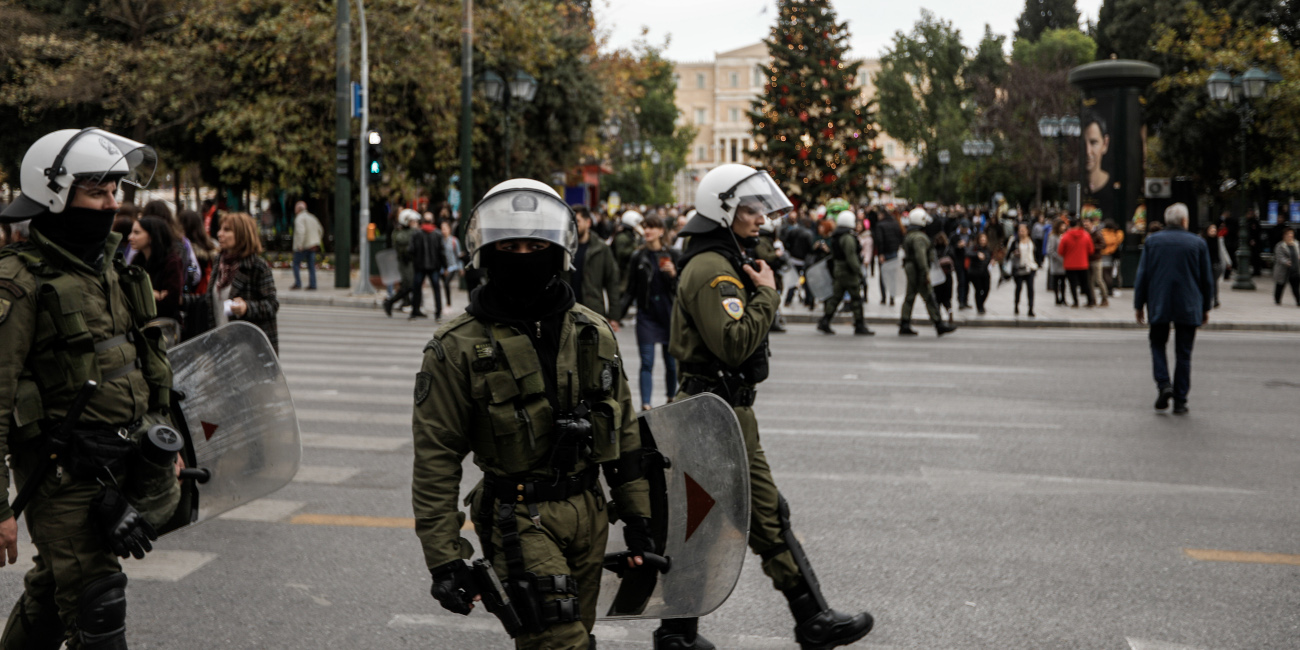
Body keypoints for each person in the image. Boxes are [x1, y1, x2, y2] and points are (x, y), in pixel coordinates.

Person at [413, 179, 652, 650]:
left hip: (589, 512)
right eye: (510, 245)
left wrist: (640, 521)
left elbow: (623, 430)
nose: (523, 255)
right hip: (519, 518)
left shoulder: (592, 331)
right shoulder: (455, 347)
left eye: (536, 244)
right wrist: (445, 559)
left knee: (576, 636)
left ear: (560, 249)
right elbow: (435, 459)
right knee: (563, 644)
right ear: (486, 251)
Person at [666, 163, 873, 649]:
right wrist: (768, 297)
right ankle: (677, 633)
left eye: (761, 207)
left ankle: (812, 618)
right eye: (751, 208)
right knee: (701, 526)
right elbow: (734, 344)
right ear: (723, 210)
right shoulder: (712, 268)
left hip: (726, 415)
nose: (761, 217)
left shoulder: (723, 258)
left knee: (766, 515)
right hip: (708, 414)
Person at [0, 127, 181, 649]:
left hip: (116, 460)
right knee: (96, 603)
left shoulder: (112, 271)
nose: (111, 204)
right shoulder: (19, 281)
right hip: (58, 470)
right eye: (97, 192)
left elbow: (141, 368)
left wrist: (160, 439)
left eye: (115, 192)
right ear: (54, 195)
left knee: (52, 592)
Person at [1134, 203, 1214, 414]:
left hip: (1159, 302)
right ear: (1185, 221)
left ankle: (1163, 384)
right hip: (1188, 304)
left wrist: (1138, 305)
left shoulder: (1152, 241)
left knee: (1157, 344)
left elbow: (1142, 276)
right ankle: (1180, 400)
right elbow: (1206, 279)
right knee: (1184, 354)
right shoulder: (1197, 243)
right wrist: (1206, 306)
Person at [616, 215, 680, 410]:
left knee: (671, 363)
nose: (648, 231)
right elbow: (631, 289)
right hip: (647, 315)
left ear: (661, 231)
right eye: (645, 227)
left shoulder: (674, 254)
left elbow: (682, 290)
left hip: (668, 315)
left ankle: (671, 399)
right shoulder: (638, 256)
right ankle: (646, 405)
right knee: (647, 361)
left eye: (652, 227)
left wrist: (673, 275)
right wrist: (616, 316)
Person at [207, 212, 280, 353]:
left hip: (249, 349)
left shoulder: (257, 266)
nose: (219, 234)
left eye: (227, 230)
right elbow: (212, 300)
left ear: (241, 234)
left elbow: (272, 305)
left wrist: (247, 307)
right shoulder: (219, 262)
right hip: (220, 346)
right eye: (220, 229)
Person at [561, 205, 622, 331]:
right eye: (570, 222)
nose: (573, 226)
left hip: (592, 311)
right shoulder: (563, 248)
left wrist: (614, 316)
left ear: (588, 222)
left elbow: (612, 281)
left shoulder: (601, 248)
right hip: (565, 312)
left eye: (577, 222)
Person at [898, 208, 956, 337]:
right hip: (918, 270)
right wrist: (925, 273)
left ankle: (905, 323)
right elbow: (921, 257)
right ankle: (938, 324)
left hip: (912, 268)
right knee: (929, 296)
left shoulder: (911, 235)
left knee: (910, 296)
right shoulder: (919, 237)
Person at [818, 203, 873, 335]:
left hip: (840, 270)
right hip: (847, 272)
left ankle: (825, 321)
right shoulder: (848, 237)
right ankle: (859, 324)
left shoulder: (838, 235)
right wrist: (859, 272)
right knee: (856, 298)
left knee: (836, 297)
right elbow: (851, 257)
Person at [128, 215, 185, 321]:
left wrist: (142, 293)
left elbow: (170, 302)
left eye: (137, 233)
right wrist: (151, 293)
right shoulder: (137, 261)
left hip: (163, 325)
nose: (130, 237)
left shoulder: (172, 262)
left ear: (151, 236)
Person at [753, 216, 789, 332]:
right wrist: (776, 255)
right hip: (766, 274)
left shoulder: (765, 240)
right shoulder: (762, 241)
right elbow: (764, 256)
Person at [383, 209, 420, 317]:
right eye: (411, 221)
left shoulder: (410, 231)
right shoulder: (400, 232)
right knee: (408, 285)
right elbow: (402, 240)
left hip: (412, 262)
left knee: (412, 285)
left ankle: (414, 307)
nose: (414, 223)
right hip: (405, 262)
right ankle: (390, 302)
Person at [409, 213, 446, 320]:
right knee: (436, 289)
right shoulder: (438, 234)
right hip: (434, 266)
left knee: (416, 288)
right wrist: (445, 266)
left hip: (419, 266)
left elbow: (411, 250)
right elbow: (441, 252)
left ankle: (414, 311)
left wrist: (415, 259)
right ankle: (438, 313)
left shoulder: (417, 234)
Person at [1058, 217, 1094, 307]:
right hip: (1083, 263)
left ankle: (1075, 302)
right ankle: (1090, 300)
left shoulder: (1065, 236)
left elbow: (1060, 251)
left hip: (1069, 264)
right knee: (1085, 283)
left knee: (1072, 284)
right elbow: (1091, 250)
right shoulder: (1086, 235)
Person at [290, 200, 324, 290]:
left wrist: (300, 245)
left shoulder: (299, 218)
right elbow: (320, 230)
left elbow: (301, 232)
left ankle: (298, 283)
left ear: (298, 209)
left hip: (303, 246)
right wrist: (316, 240)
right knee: (311, 265)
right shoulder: (312, 217)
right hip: (313, 245)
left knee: (296, 264)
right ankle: (313, 284)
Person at [1009, 223, 1039, 317]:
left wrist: (1037, 264)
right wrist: (1014, 254)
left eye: (1023, 230)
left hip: (1030, 267)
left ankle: (1030, 308)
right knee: (1019, 288)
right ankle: (1016, 305)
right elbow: (1008, 255)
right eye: (1019, 231)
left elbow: (1036, 253)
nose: (1021, 232)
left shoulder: (1032, 241)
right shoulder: (1015, 242)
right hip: (1019, 268)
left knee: (1030, 288)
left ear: (1027, 231)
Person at [874, 209, 903, 306]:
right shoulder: (895, 223)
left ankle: (883, 297)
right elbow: (900, 237)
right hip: (894, 252)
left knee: (883, 275)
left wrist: (881, 253)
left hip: (884, 253)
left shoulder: (880, 225)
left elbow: (879, 240)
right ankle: (892, 297)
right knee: (892, 276)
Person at [1202, 223, 1230, 308]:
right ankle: (1207, 299)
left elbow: (1222, 251)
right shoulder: (1203, 240)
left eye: (1214, 230)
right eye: (1211, 230)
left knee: (1214, 283)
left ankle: (1215, 299)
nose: (1213, 232)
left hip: (1215, 264)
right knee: (1206, 283)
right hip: (1205, 264)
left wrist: (1228, 262)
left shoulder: (1218, 240)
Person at [611, 210, 644, 282]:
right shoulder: (622, 237)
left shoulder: (631, 235)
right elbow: (621, 253)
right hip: (623, 272)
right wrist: (635, 248)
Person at [1272, 227, 1300, 306]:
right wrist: (1286, 262)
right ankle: (1277, 299)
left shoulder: (1296, 244)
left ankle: (1298, 301)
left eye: (1291, 234)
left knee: (1295, 287)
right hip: (1283, 269)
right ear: (1284, 236)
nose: (1290, 235)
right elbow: (1279, 257)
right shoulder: (1280, 246)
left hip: (1294, 269)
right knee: (1280, 285)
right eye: (1288, 234)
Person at [440, 219, 463, 308]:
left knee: (446, 283)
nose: (443, 231)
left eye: (445, 228)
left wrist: (461, 268)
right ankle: (446, 303)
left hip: (453, 267)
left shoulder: (454, 241)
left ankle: (448, 303)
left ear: (449, 229)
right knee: (445, 285)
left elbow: (458, 255)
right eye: (442, 228)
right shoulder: (440, 240)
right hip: (442, 268)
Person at [1046, 217, 1067, 305]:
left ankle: (1063, 298)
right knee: (1056, 281)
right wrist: (1058, 257)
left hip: (1064, 263)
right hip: (1056, 263)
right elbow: (1050, 250)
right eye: (1062, 226)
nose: (1064, 228)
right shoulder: (1053, 237)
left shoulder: (1065, 235)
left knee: (1063, 282)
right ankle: (1057, 298)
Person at [952, 219, 971, 309]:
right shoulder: (955, 236)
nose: (965, 230)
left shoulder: (971, 236)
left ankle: (965, 300)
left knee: (967, 282)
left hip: (968, 261)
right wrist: (957, 246)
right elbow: (951, 249)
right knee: (961, 281)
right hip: (959, 261)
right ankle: (960, 301)